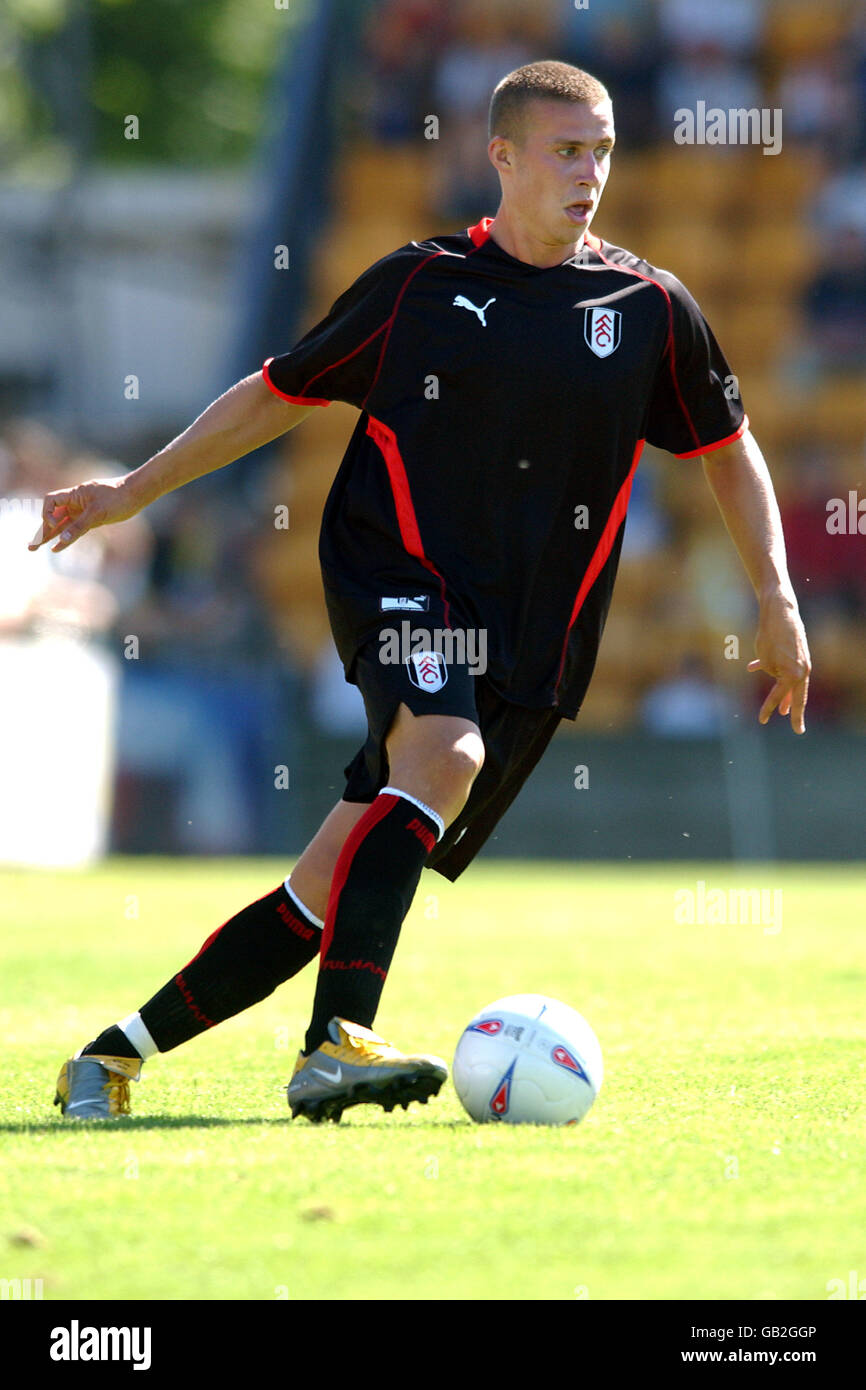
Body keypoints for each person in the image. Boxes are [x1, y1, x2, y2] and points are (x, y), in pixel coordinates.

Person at [31, 61, 811, 1124]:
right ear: (501, 157)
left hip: (530, 639)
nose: (589, 173)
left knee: (327, 885)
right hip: (390, 576)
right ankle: (335, 1042)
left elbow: (728, 446)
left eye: (603, 151)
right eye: (565, 151)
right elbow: (276, 393)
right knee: (446, 752)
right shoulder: (416, 285)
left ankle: (108, 1057)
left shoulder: (646, 306)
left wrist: (775, 596)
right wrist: (134, 490)